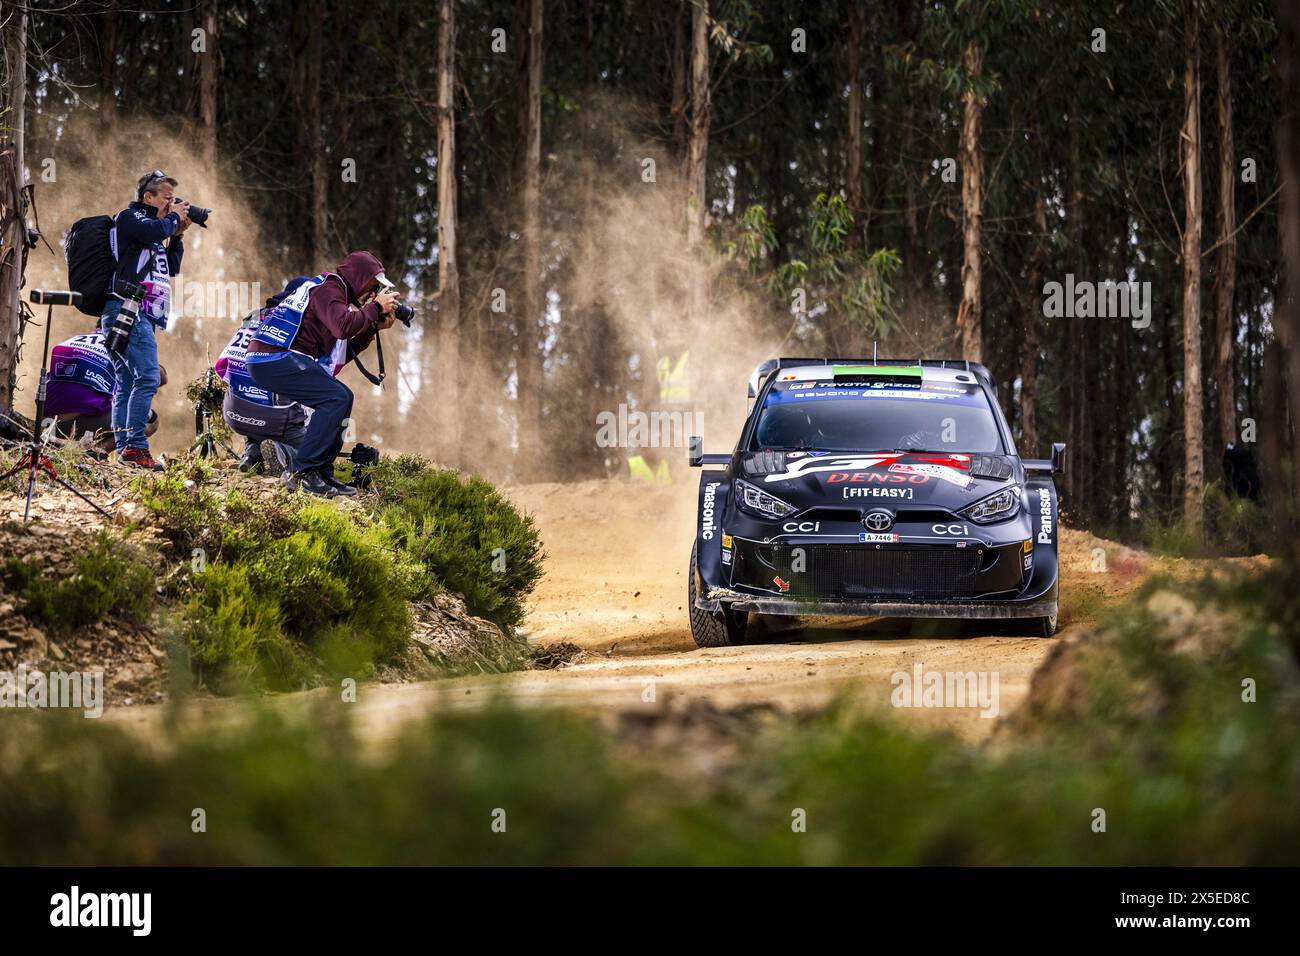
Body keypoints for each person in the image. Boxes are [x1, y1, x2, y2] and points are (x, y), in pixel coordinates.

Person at [245, 251, 397, 497]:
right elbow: (343, 326)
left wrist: (371, 328)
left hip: (277, 358)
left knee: (341, 396)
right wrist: (375, 306)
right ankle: (303, 471)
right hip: (273, 356)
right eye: (373, 285)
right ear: (359, 277)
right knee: (336, 397)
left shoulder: (334, 298)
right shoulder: (330, 287)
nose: (373, 291)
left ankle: (322, 472)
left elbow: (341, 354)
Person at [100, 169, 190, 471]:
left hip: (138, 314)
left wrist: (176, 237)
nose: (172, 203)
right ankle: (137, 447)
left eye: (174, 200)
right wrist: (173, 219)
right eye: (167, 198)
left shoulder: (154, 233)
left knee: (127, 381)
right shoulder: (129, 217)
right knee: (148, 378)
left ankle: (126, 449)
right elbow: (154, 231)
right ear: (148, 197)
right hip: (126, 309)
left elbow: (171, 267)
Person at [45, 327, 163, 455]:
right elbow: (162, 377)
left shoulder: (74, 339)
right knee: (152, 421)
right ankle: (96, 453)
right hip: (77, 424)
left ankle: (60, 442)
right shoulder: (123, 346)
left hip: (46, 422)